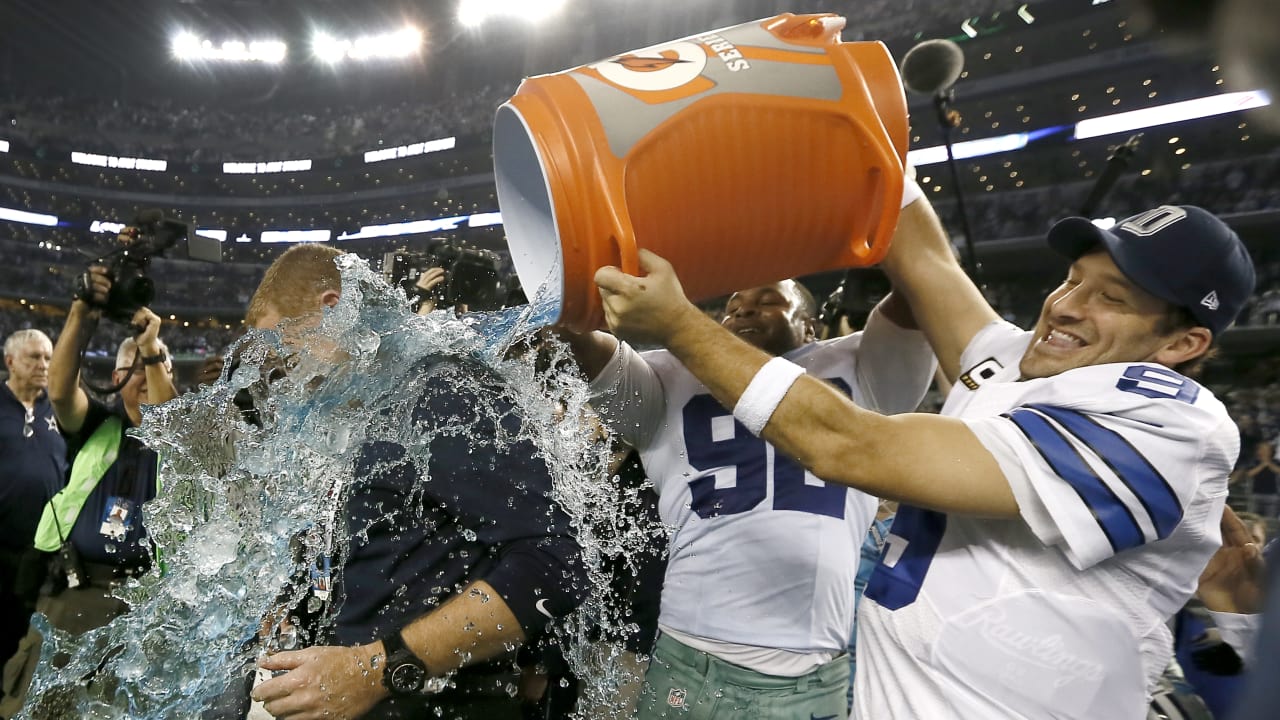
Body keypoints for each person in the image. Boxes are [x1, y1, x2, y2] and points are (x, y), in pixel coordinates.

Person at [589, 190, 1255, 719]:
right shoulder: (1016, 362)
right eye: (1074, 278)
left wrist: (678, 324)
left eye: (1111, 299)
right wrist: (849, 117)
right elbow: (925, 259)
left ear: (1181, 345)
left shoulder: (1169, 427)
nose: (1066, 306)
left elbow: (848, 445)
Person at [562, 275, 935, 718]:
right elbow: (582, 340)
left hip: (816, 671)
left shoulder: (862, 368)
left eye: (769, 300)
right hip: (693, 659)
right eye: (733, 304)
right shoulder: (667, 373)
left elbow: (919, 288)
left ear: (812, 326)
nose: (743, 309)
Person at [243, 245, 586, 720]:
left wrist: (377, 668)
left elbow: (554, 563)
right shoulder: (364, 405)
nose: (283, 373)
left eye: (285, 348)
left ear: (330, 309)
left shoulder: (441, 389)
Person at [0, 264, 177, 718]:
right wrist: (81, 312)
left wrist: (151, 348)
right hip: (75, 595)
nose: (139, 377)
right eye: (129, 369)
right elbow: (60, 389)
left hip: (146, 609)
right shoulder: (99, 425)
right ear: (114, 377)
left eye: (150, 368)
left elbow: (169, 414)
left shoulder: (180, 444)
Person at [0, 330, 65, 670]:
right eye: (34, 357)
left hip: (44, 556)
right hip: (2, 549)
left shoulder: (61, 410)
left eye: (48, 358)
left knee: (29, 645)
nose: (43, 365)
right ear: (10, 361)